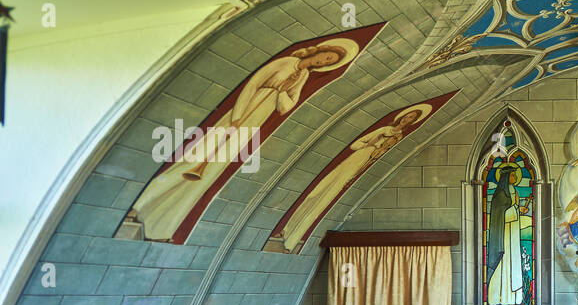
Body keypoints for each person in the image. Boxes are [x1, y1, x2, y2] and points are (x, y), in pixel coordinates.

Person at [126, 40, 356, 242]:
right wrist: (236, 117)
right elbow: (253, 84)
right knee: (195, 158)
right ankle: (139, 205)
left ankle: (165, 223)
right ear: (317, 52)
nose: (324, 61)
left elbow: (286, 107)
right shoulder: (284, 63)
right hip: (240, 114)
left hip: (254, 122)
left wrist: (283, 92)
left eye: (328, 62)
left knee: (212, 172)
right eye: (326, 56)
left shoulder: (303, 76)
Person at [274, 105, 426, 253]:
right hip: (352, 161)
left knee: (324, 202)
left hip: (361, 167)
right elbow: (354, 145)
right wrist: (370, 145)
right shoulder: (383, 130)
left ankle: (292, 240)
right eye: (407, 115)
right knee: (316, 193)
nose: (407, 118)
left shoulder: (399, 138)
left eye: (411, 117)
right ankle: (286, 230)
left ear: (413, 121)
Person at [485, 164, 530, 305]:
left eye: (516, 175)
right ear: (505, 177)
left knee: (513, 263)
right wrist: (517, 209)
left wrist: (519, 209)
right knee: (504, 264)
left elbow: (511, 211)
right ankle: (499, 299)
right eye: (513, 175)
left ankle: (513, 300)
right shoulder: (500, 194)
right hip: (504, 236)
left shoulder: (513, 191)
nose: (515, 177)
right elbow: (501, 215)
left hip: (514, 233)